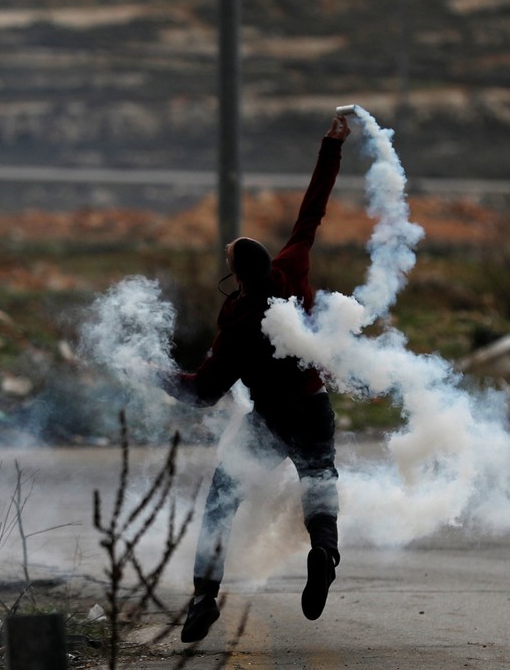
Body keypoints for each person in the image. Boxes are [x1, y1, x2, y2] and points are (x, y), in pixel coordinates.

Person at [161, 114, 352, 643]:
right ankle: (324, 552)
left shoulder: (239, 323)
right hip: (312, 407)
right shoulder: (293, 266)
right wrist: (330, 147)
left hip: (268, 418)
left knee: (223, 497)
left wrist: (152, 374)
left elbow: (202, 391)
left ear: (239, 277)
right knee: (320, 482)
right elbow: (312, 210)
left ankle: (204, 594)